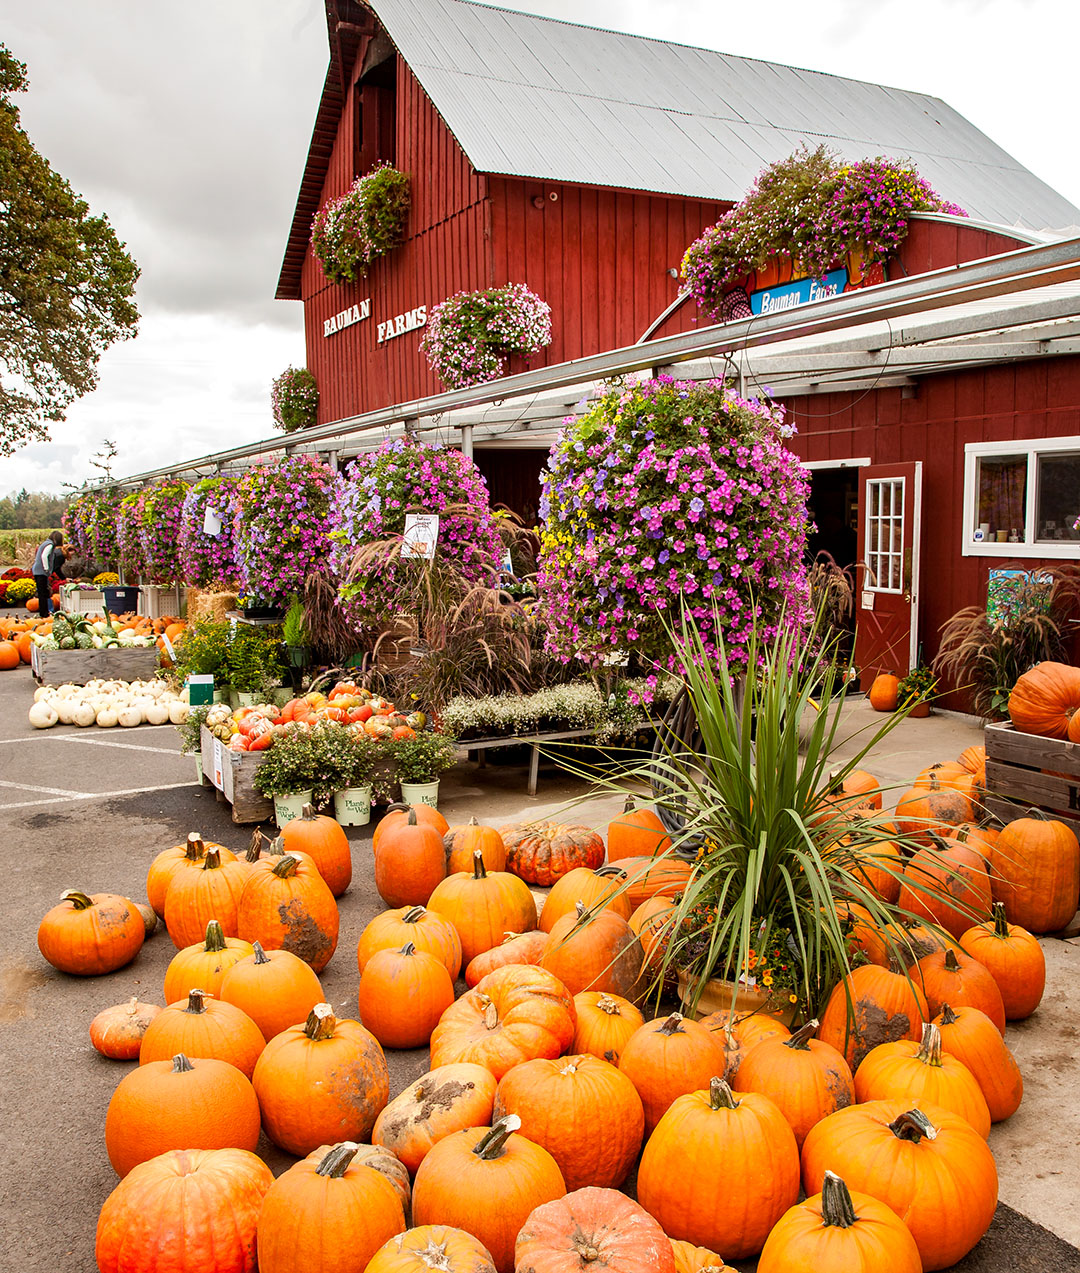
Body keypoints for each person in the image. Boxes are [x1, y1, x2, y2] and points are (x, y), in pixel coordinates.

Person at [31, 531, 65, 616]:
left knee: (43, 592)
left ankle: (44, 612)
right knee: (43, 593)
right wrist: (46, 569)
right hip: (41, 571)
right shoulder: (50, 545)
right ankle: (44, 613)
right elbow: (44, 556)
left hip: (38, 571)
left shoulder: (46, 543)